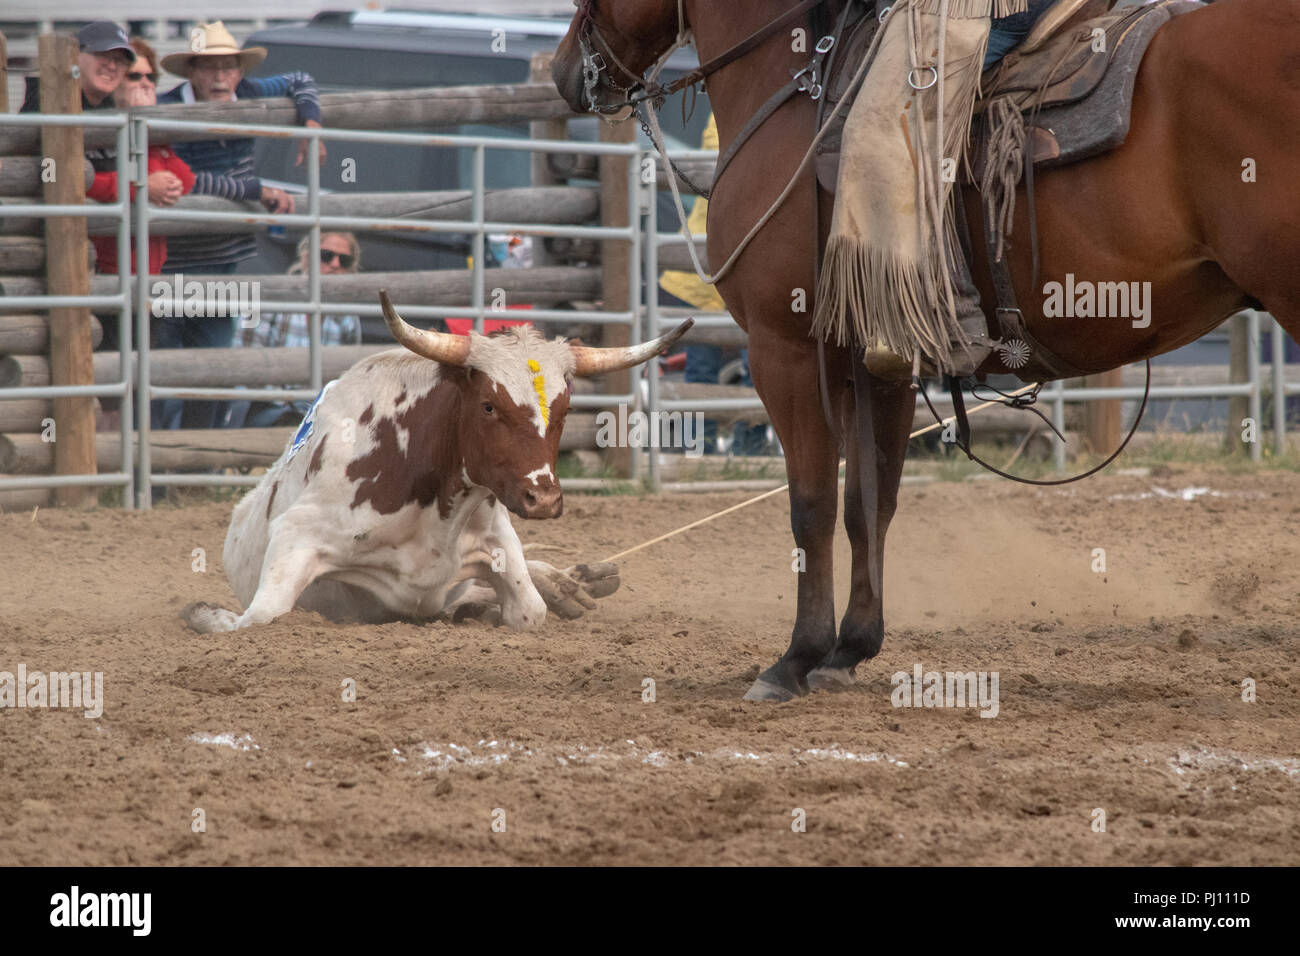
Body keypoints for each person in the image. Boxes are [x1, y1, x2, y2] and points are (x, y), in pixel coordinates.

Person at [152, 20, 324, 430]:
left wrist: (312, 122)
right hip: (170, 262)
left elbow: (301, 79)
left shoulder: (246, 92)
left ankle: (196, 470)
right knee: (157, 376)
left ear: (240, 71)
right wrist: (255, 189)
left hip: (223, 261)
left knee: (214, 376)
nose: (221, 77)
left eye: (229, 67)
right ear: (191, 71)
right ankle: (152, 477)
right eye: (210, 68)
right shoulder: (164, 109)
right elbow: (185, 179)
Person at [659, 113, 769, 455]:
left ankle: (727, 445)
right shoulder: (741, 107)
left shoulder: (733, 104)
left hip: (727, 256)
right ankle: (717, 446)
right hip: (719, 256)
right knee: (725, 362)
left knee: (745, 362)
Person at [225, 232, 363, 429]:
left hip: (322, 414)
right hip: (265, 406)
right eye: (326, 255)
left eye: (345, 260)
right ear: (307, 257)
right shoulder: (271, 296)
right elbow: (245, 367)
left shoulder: (348, 315)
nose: (335, 264)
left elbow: (348, 377)